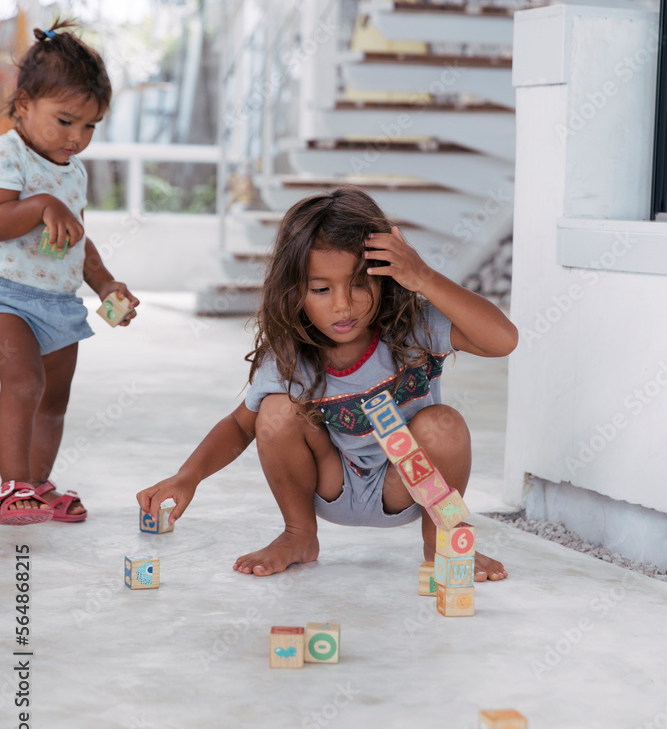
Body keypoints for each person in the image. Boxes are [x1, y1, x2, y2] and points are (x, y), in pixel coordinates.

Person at [138, 187, 517, 579]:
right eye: (321, 289)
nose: (342, 305)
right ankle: (299, 534)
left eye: (358, 284)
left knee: (444, 423)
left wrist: (424, 277)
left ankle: (441, 540)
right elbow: (239, 426)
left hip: (404, 486)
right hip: (331, 484)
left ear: (385, 279)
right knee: (275, 409)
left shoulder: (414, 328)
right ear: (294, 291)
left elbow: (503, 340)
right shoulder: (291, 356)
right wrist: (188, 477)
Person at [0, 20, 139, 525]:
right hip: (8, 297)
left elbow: (78, 237)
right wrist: (39, 205)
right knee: (21, 382)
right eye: (65, 122)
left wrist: (105, 285)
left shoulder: (72, 171)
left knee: (54, 402)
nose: (77, 138)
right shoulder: (8, 153)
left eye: (89, 127)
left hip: (58, 302)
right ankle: (10, 485)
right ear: (23, 106)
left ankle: (37, 485)